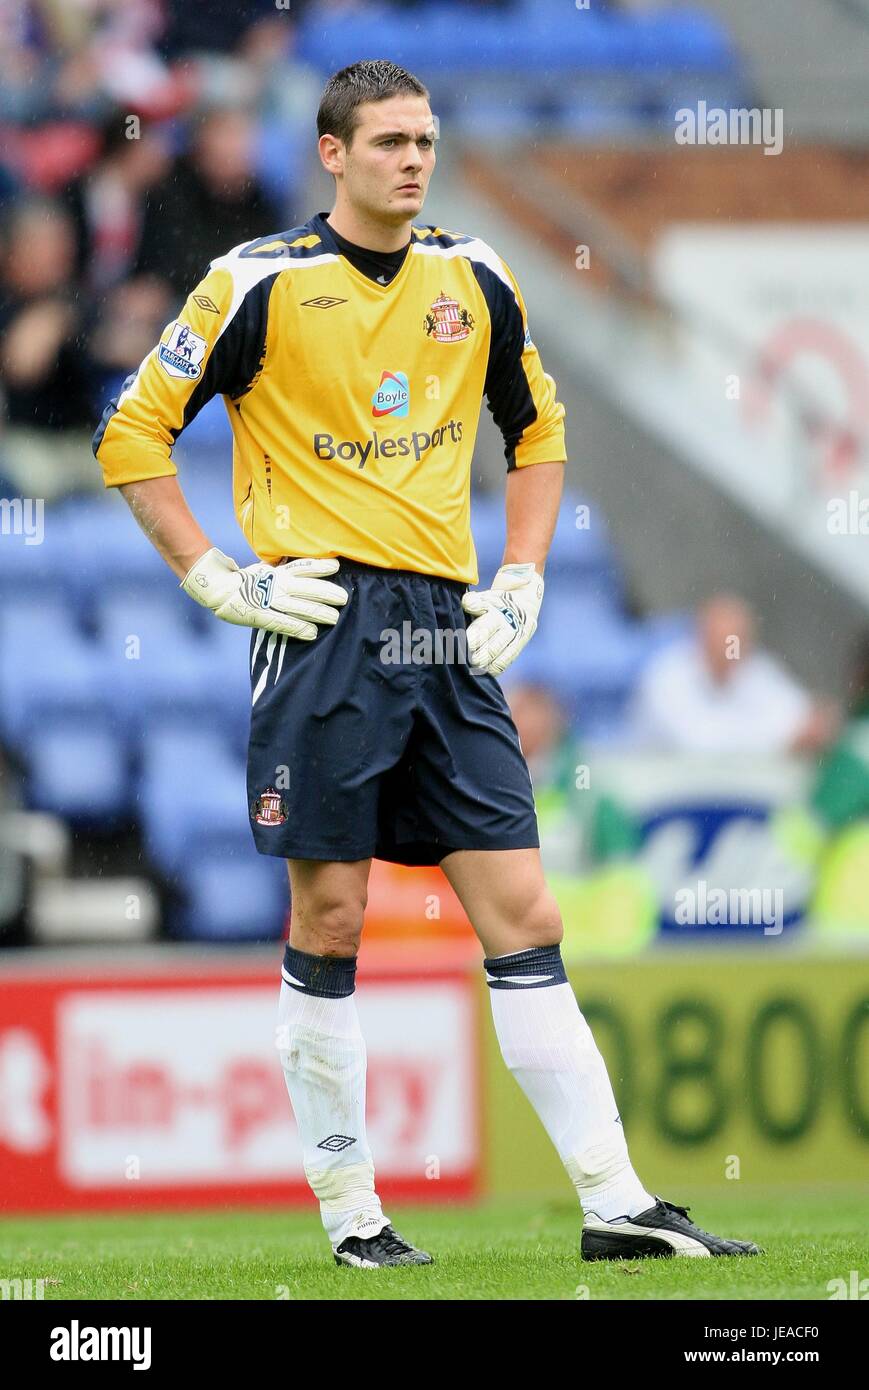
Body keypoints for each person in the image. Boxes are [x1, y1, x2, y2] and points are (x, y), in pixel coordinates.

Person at [92, 59, 759, 1269]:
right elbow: (130, 431)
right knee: (331, 914)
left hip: (445, 628)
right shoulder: (255, 283)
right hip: (320, 625)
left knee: (523, 907)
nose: (414, 158)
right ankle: (354, 1219)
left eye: (426, 140)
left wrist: (525, 572)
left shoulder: (475, 276)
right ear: (332, 154)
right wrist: (215, 576)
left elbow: (539, 428)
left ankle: (615, 1204)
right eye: (390, 140)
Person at [630, 593, 840, 755]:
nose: (733, 650)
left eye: (739, 641)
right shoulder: (665, 676)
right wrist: (784, 738)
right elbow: (700, 745)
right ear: (702, 637)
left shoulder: (754, 668)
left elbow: (801, 718)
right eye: (725, 640)